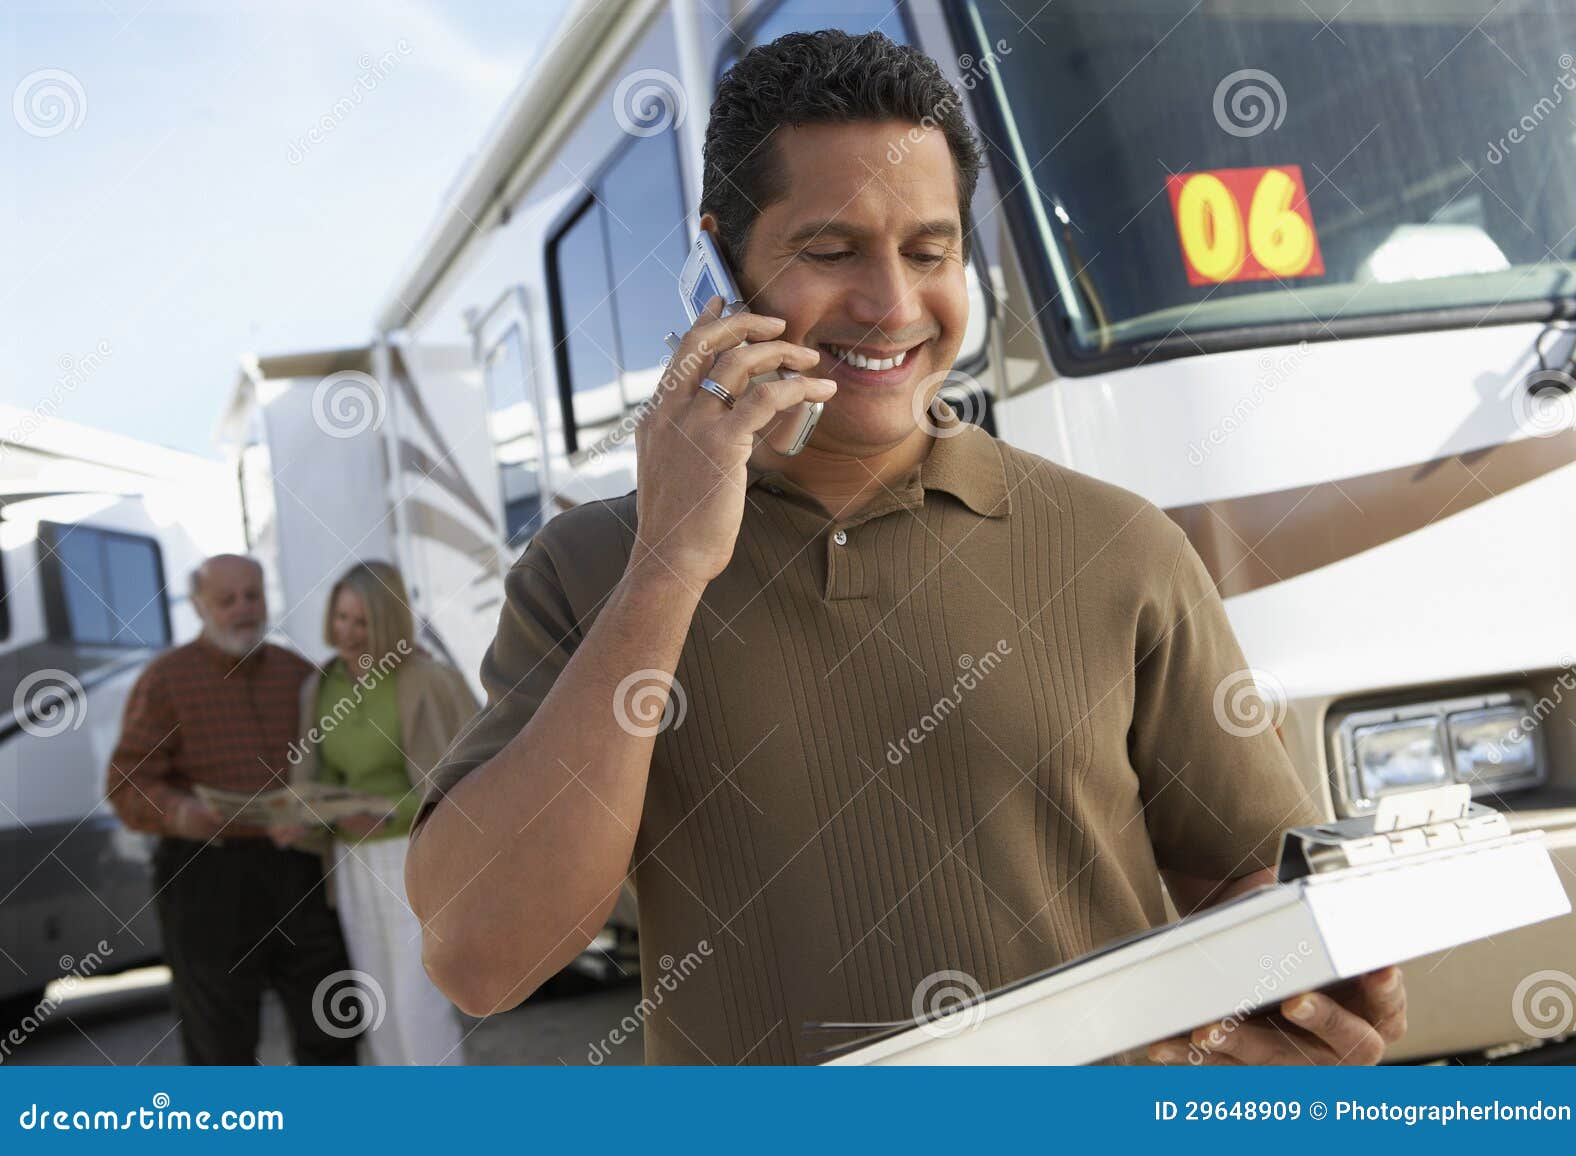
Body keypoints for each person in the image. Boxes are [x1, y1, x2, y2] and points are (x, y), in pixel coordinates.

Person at [406, 30, 1407, 1066]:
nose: (891, 305)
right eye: (831, 251)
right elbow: (483, 960)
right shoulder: (587, 568)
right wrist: (668, 562)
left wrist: (1304, 1007)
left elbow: (1252, 897)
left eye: (929, 252)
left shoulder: (1120, 546)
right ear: (716, 262)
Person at [106, 554, 357, 1065]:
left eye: (253, 595)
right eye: (227, 600)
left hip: (298, 867)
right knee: (219, 1041)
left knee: (329, 1024)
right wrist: (178, 812)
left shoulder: (299, 674)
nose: (244, 609)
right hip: (206, 874)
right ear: (199, 606)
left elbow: (337, 763)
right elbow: (126, 781)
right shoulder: (166, 679)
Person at [288, 561, 476, 1065]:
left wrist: (393, 812)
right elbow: (314, 777)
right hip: (350, 863)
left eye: (362, 621)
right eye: (340, 618)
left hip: (412, 854)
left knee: (419, 1007)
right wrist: (320, 812)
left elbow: (469, 774)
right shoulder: (320, 686)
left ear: (388, 623)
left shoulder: (426, 680)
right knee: (377, 1008)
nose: (346, 634)